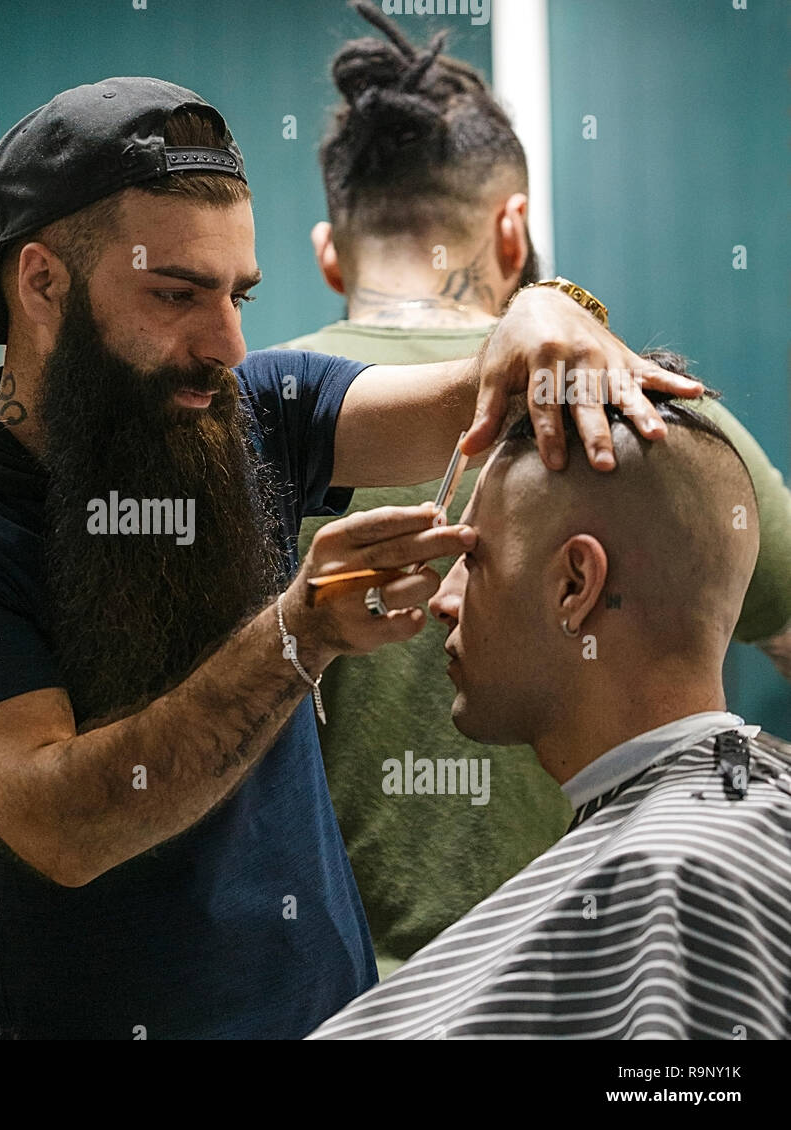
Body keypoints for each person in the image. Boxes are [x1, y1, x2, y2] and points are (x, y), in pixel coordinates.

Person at [0, 76, 697, 1039]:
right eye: (176, 295)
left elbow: (471, 397)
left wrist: (543, 311)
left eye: (239, 296)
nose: (227, 344)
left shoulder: (247, 415)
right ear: (42, 283)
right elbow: (65, 826)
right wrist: (299, 635)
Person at [285, 1, 791, 977]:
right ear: (512, 231)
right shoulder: (651, 422)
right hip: (624, 989)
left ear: (328, 253)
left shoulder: (238, 436)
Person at [310, 377, 791, 1040]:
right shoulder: (717, 827)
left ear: (575, 586)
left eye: (471, 559)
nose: (443, 601)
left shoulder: (686, 874)